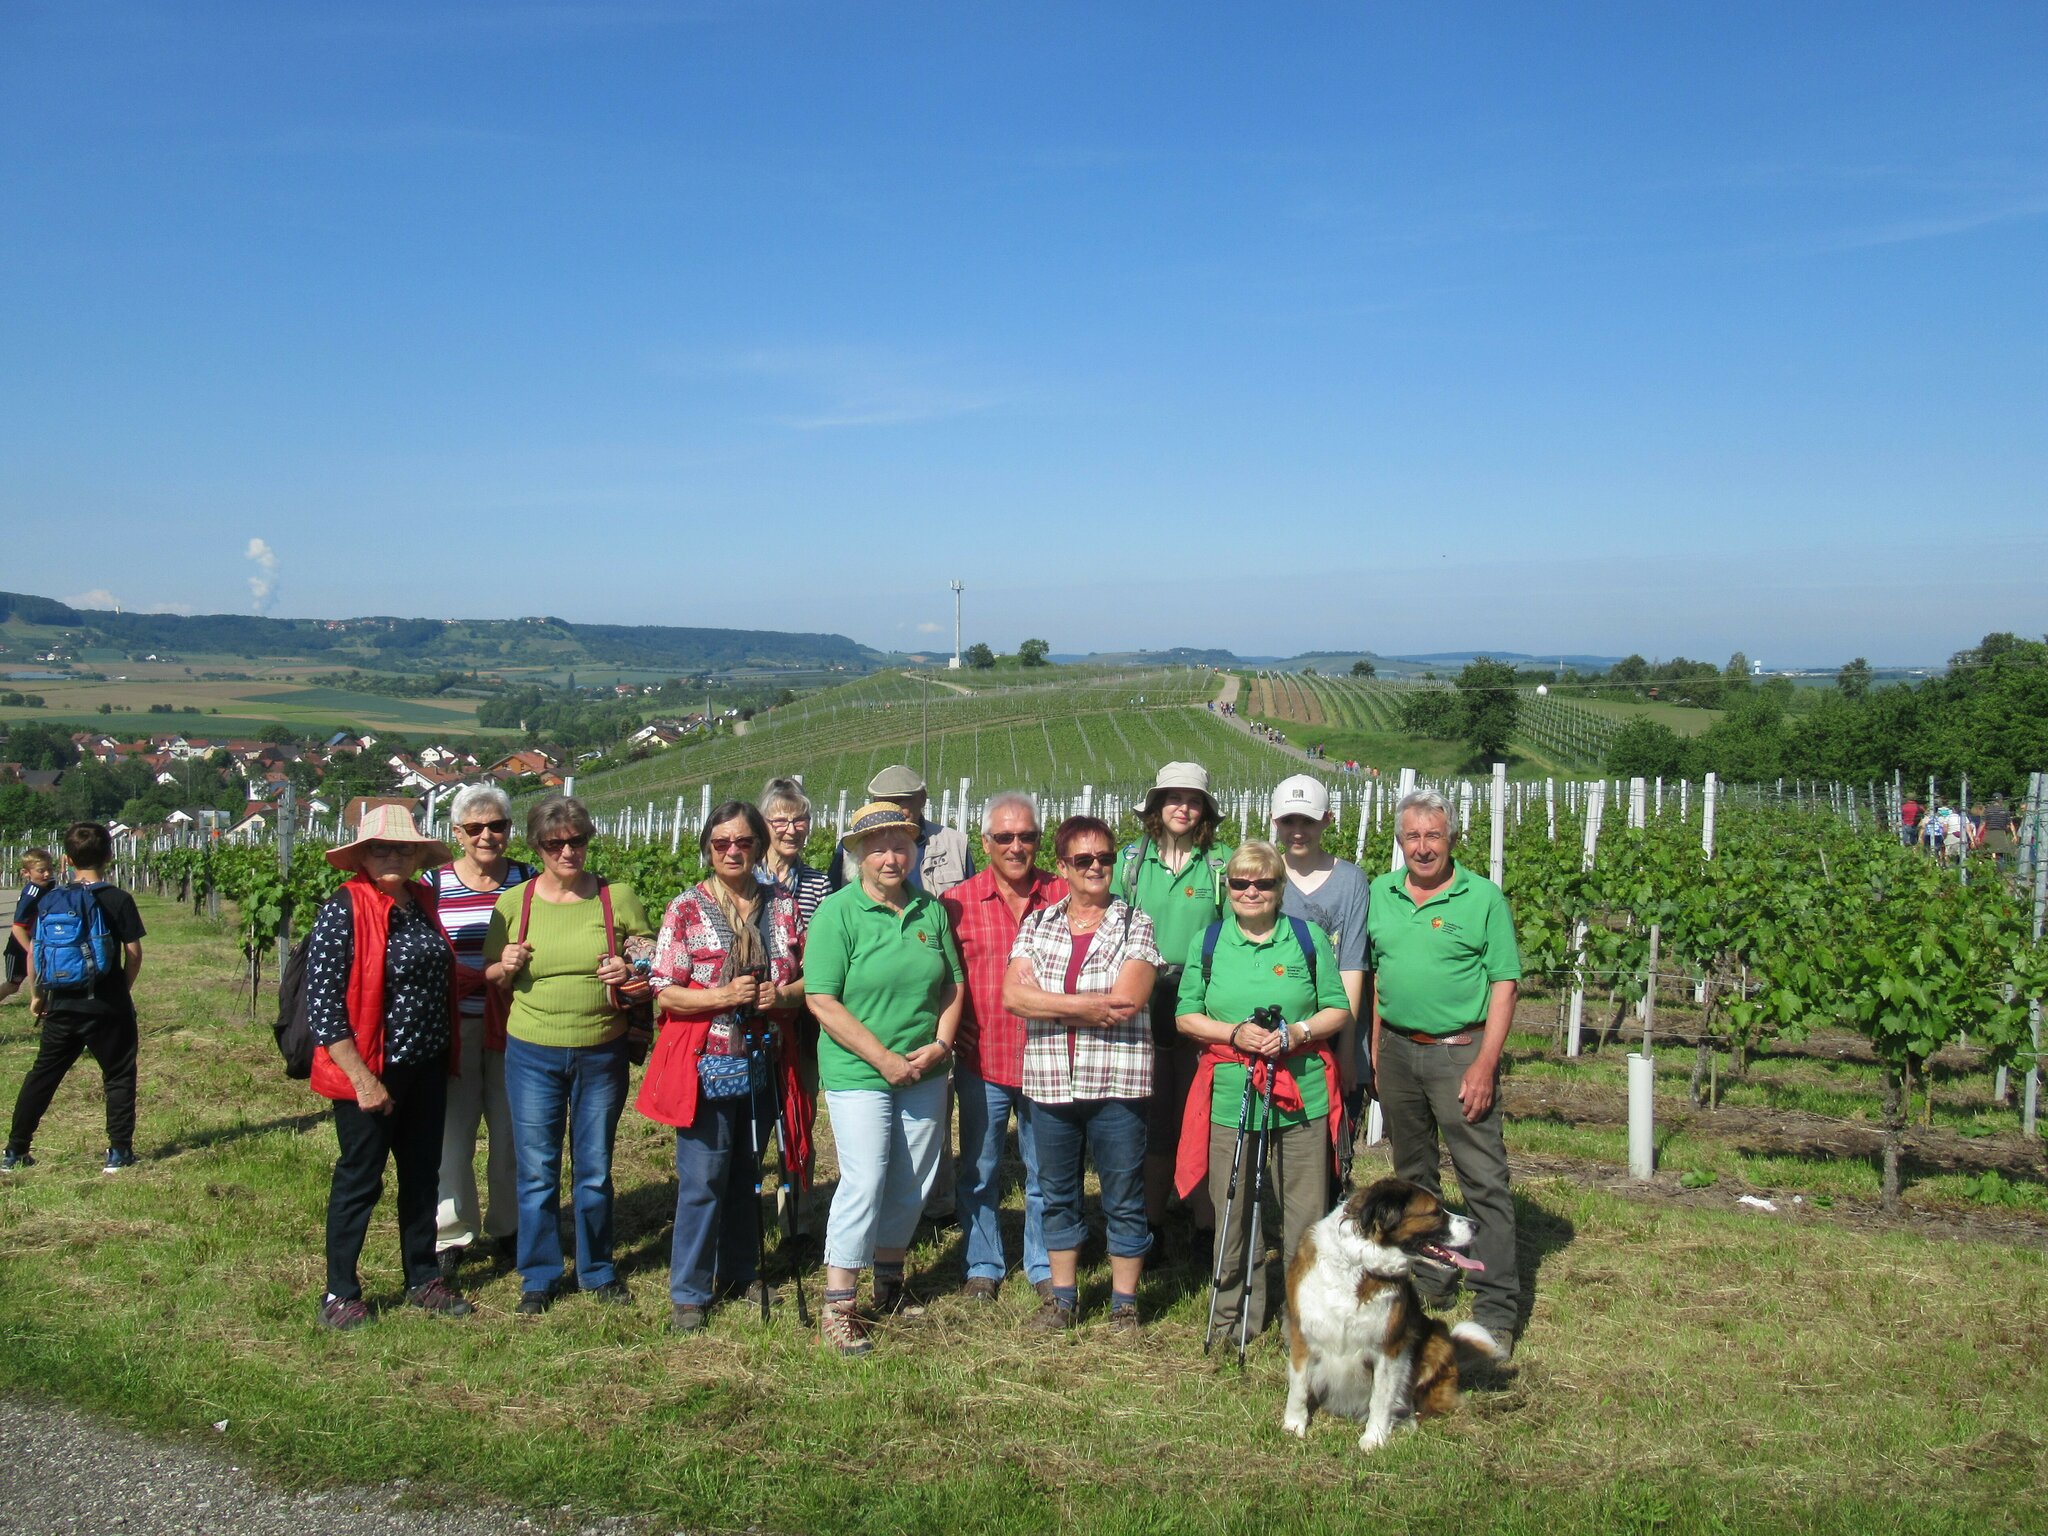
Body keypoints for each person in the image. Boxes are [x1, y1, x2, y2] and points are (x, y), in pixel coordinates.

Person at [636, 801, 809, 1332]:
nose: (732, 851)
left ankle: (739, 1269)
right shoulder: (686, 909)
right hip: (706, 1064)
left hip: (765, 1060)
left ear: (759, 846)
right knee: (704, 1177)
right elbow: (665, 991)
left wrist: (782, 994)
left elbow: (811, 977)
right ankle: (690, 1291)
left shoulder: (783, 907)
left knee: (747, 1173)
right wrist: (722, 996)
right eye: (721, 843)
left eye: (743, 842)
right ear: (708, 848)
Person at [1365, 787, 1524, 1364]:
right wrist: (1377, 1050)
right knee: (1413, 1174)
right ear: (1400, 841)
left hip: (1460, 1052)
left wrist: (1485, 1063)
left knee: (1482, 1179)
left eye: (1433, 835)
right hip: (1398, 1051)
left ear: (1451, 838)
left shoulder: (1481, 897)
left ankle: (1496, 1307)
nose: (1423, 847)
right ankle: (1432, 1278)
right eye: (1412, 836)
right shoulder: (1380, 893)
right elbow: (1378, 975)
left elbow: (1505, 983)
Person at [803, 801, 965, 1355]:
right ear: (857, 855)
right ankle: (839, 1303)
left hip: (924, 1068)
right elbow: (822, 999)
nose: (891, 858)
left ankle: (890, 1278)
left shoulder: (930, 911)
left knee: (914, 1178)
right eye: (878, 848)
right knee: (865, 1179)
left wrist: (940, 1045)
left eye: (901, 846)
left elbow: (952, 985)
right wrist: (884, 1059)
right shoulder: (837, 914)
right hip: (859, 1071)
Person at [303, 805, 472, 1329]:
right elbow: (324, 1005)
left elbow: (439, 974)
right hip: (372, 1068)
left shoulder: (422, 901)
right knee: (360, 1179)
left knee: (422, 1176)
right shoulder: (344, 907)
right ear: (363, 856)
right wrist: (362, 1079)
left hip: (427, 1064)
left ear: (418, 856)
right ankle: (339, 1292)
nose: (393, 855)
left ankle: (422, 1277)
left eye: (403, 847)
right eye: (381, 848)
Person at [1174, 841, 1351, 1341]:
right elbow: (1185, 1015)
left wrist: (1297, 1033)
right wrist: (1233, 1034)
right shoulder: (1209, 942)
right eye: (1240, 882)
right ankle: (1233, 1317)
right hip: (1232, 1092)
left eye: (1264, 883)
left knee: (1304, 1213)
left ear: (1280, 887)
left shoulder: (1307, 939)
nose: (1251, 891)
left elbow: (1337, 1008)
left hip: (1302, 1093)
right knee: (1233, 1211)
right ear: (1227, 887)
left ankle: (1306, 1320)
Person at [483, 793, 653, 1315]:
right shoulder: (515, 904)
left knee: (594, 1167)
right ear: (536, 847)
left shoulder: (615, 897)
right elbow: (491, 974)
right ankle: (538, 1274)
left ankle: (596, 1269)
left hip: (600, 1050)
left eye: (576, 841)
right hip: (532, 1052)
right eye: (554, 844)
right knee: (537, 1169)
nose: (567, 852)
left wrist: (630, 966)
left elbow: (650, 955)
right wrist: (506, 965)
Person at [1004, 816, 1161, 1331]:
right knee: (1056, 1192)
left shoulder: (1135, 923)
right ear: (1063, 867)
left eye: (1105, 858)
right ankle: (1063, 1299)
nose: (1096, 867)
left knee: (1123, 1193)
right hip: (1052, 1078)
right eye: (1084, 859)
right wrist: (1087, 1006)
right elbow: (1013, 997)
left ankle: (1124, 1303)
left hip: (1117, 1081)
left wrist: (1048, 1002)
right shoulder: (1037, 924)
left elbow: (1128, 1000)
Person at [940, 792, 1065, 1303]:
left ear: (1039, 840)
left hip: (1050, 1058)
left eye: (1027, 836)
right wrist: (951, 1026)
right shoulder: (956, 903)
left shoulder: (1064, 894)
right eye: (1005, 837)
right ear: (985, 841)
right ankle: (982, 1264)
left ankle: (1043, 1263)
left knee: (1046, 1170)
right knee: (979, 1168)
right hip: (984, 1057)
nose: (1016, 846)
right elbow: (940, 977)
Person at [1116, 762, 1232, 1248]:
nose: (1183, 808)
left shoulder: (1222, 863)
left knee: (1202, 1113)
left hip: (1202, 1003)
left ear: (1205, 810)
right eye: (1173, 798)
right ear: (1157, 806)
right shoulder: (1130, 861)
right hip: (1144, 1002)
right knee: (1156, 1115)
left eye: (1193, 800)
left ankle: (1206, 1225)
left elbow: (1236, 936)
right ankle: (1153, 1224)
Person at [428, 784, 536, 1282]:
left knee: (513, 1130)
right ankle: (451, 1233)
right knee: (453, 1132)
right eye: (475, 828)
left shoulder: (529, 881)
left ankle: (510, 1227)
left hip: (518, 1024)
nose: (486, 835)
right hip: (454, 1025)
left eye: (497, 825)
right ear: (457, 833)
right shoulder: (432, 885)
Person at [3, 825, 146, 1174]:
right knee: (118, 1074)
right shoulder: (118, 899)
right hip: (107, 1004)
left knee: (43, 1075)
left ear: (66, 860)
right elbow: (134, 954)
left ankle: (15, 1151)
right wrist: (121, 990)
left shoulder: (51, 899)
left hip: (62, 1003)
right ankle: (118, 1152)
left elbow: (36, 953)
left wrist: (38, 996)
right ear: (109, 856)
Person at [1268, 774, 1372, 1147]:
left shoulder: (1351, 881)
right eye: (1289, 821)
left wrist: (1346, 1048)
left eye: (1308, 821)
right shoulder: (1264, 879)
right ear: (1275, 821)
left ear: (1327, 820)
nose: (1298, 831)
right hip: (1277, 1034)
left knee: (1331, 1147)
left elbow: (1352, 965)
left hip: (1336, 1030)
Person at [826, 765, 975, 895]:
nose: (894, 810)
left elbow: (971, 899)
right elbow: (833, 897)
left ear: (922, 799)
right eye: (886, 802)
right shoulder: (850, 846)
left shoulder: (955, 844)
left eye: (901, 801)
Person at [1, 846, 55, 1008]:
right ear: (26, 873)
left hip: (38, 942)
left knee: (46, 976)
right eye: (41, 871)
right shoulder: (31, 894)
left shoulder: (48, 887)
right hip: (18, 948)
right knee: (13, 985)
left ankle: (44, 1004)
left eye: (50, 869)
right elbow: (17, 927)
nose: (47, 874)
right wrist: (32, 951)